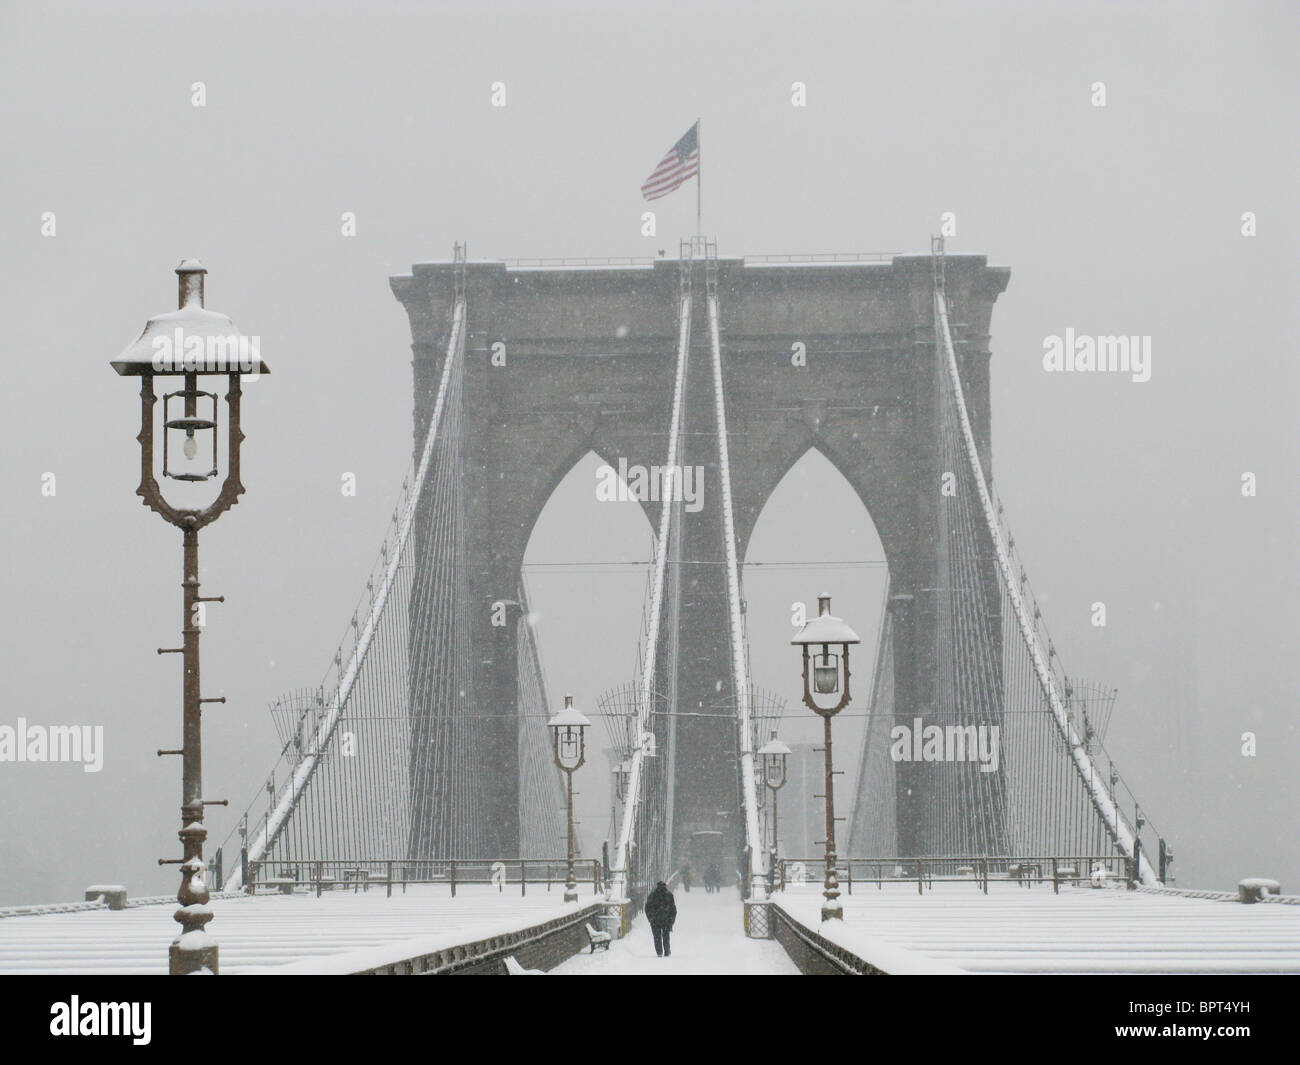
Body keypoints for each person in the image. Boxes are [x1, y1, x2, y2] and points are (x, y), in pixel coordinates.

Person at [644, 880, 677, 957]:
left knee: (657, 937)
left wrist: (650, 918)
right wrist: (671, 921)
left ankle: (659, 952)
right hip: (666, 920)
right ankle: (667, 951)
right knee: (666, 936)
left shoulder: (652, 895)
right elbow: (673, 910)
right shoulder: (669, 895)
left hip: (655, 920)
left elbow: (647, 908)